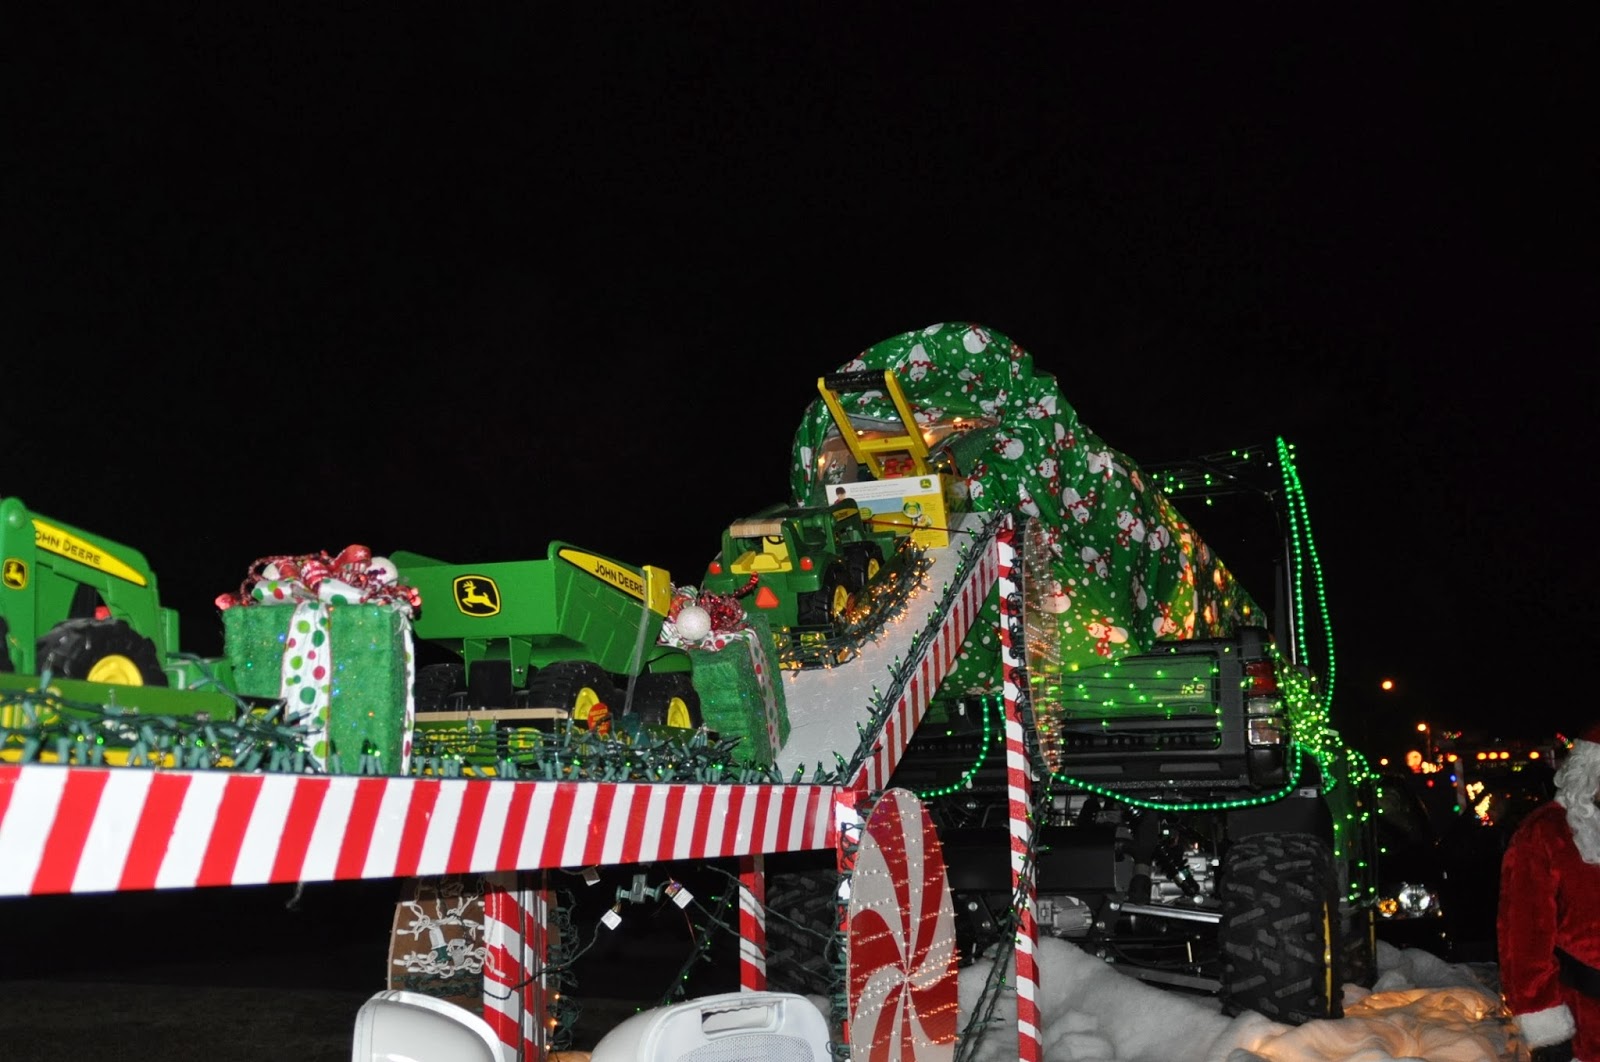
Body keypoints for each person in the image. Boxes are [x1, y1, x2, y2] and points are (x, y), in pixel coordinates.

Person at [1498, 721, 1600, 1062]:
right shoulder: (1544, 835)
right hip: (1584, 1024)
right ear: (1589, 771)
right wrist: (1547, 1027)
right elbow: (1523, 941)